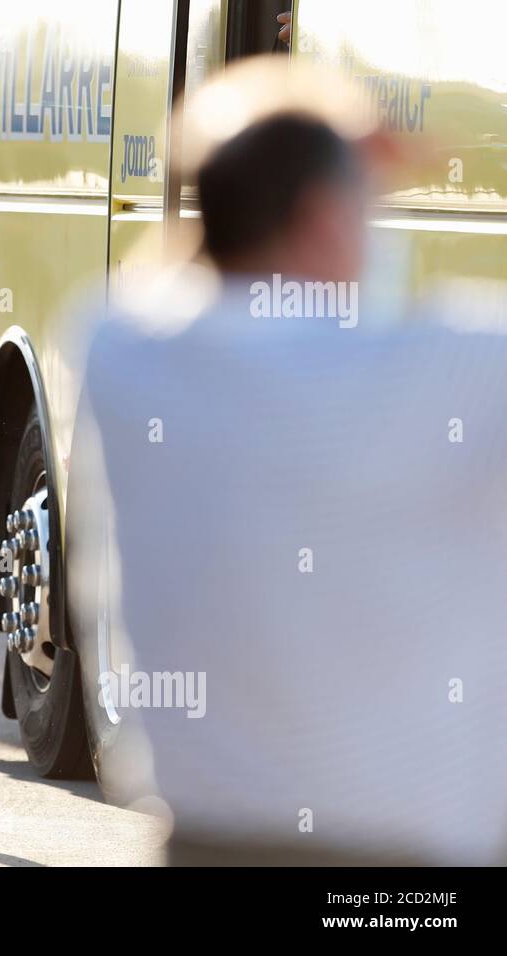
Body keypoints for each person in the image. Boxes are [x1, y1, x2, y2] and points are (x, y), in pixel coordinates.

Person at [74, 58, 507, 864]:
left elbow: (175, 280)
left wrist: (310, 169)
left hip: (204, 842)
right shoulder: (454, 370)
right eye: (370, 210)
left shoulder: (123, 352)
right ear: (321, 216)